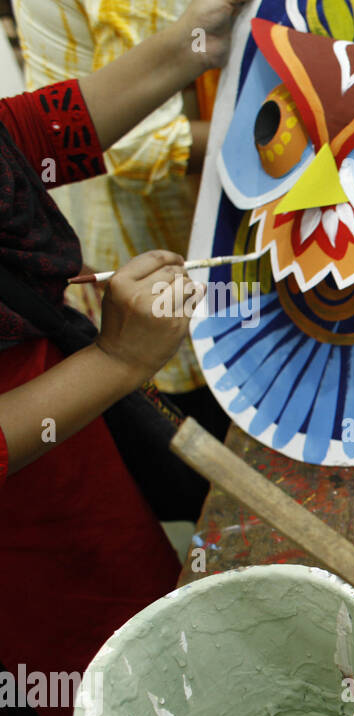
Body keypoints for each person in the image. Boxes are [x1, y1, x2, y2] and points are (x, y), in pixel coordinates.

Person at [0, 0, 249, 716]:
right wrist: (117, 358)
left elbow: (31, 133)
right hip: (17, 566)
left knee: (158, 656)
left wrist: (207, 35)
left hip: (72, 475)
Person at [15, 0, 231, 502]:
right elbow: (135, 149)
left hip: (70, 382)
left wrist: (195, 42)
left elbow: (28, 134)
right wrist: (118, 359)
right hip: (37, 494)